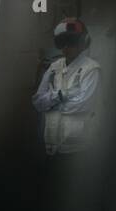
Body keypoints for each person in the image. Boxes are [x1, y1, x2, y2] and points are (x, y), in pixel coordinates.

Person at [31, 17, 101, 158]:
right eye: (62, 43)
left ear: (83, 43)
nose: (66, 48)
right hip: (50, 145)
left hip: (77, 150)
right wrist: (62, 95)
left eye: (71, 42)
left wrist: (50, 102)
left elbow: (81, 105)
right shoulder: (54, 67)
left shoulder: (91, 69)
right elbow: (38, 102)